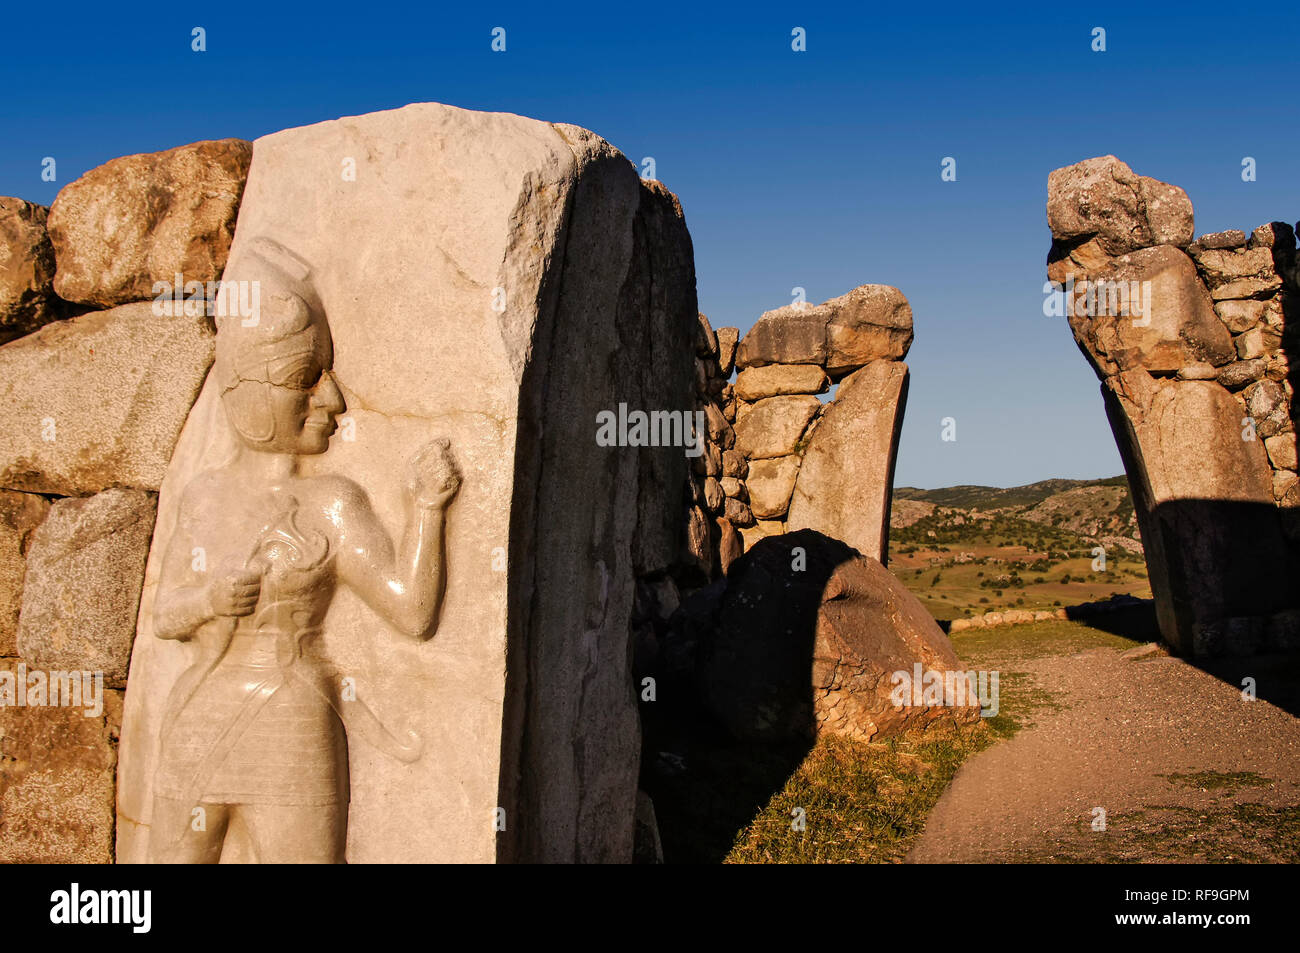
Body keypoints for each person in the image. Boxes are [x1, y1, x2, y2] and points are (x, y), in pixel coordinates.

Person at [148, 238, 459, 863]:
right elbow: (164, 615)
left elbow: (412, 612)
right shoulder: (204, 496)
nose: (333, 399)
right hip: (201, 717)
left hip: (293, 721)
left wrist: (426, 509)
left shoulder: (334, 502)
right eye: (305, 380)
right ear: (248, 394)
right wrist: (211, 598)